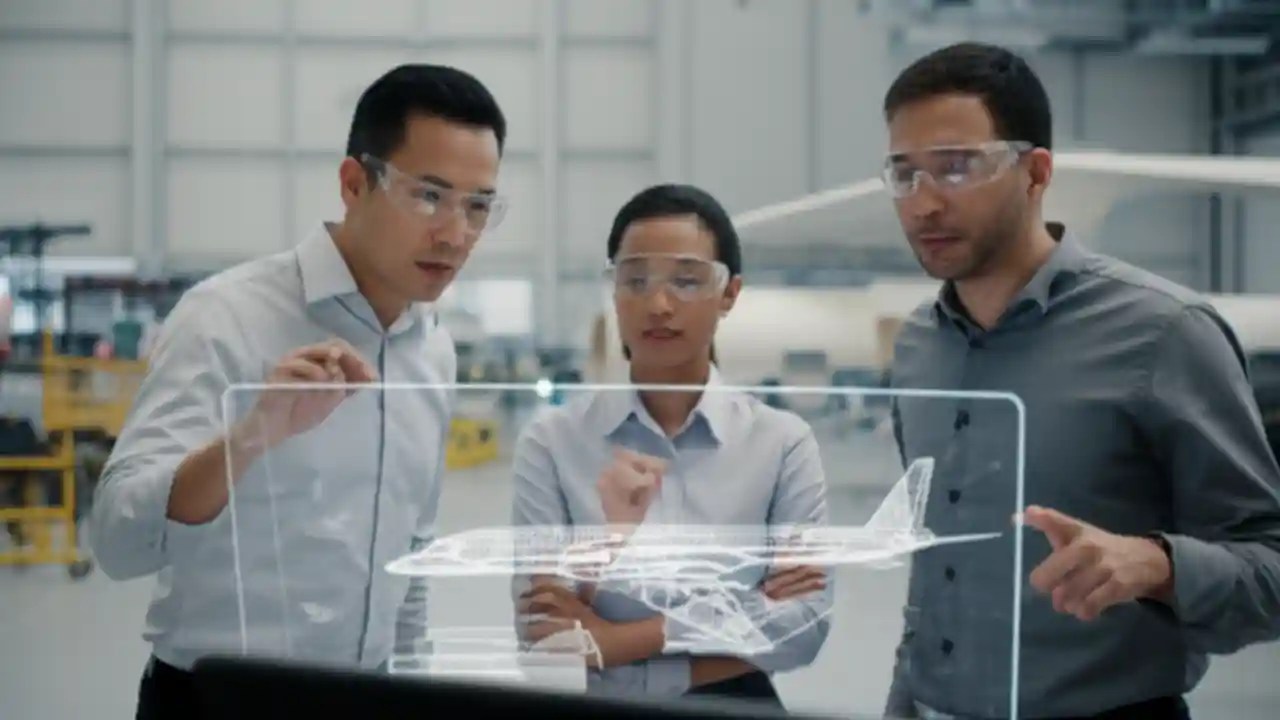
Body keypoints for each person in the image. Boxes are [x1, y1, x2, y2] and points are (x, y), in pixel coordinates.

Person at [88, 64, 510, 718]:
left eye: (478, 206)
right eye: (429, 195)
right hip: (222, 701)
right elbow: (117, 540)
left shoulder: (434, 350)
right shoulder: (225, 318)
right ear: (353, 183)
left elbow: (411, 556)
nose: (455, 234)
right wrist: (250, 435)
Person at [880, 42, 1280, 720]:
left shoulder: (1164, 333)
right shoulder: (919, 347)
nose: (923, 204)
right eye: (903, 174)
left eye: (954, 168)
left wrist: (1159, 564)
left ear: (1036, 172)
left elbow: (1271, 569)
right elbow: (932, 581)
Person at [509, 184, 833, 708]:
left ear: (730, 293)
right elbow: (545, 637)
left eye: (687, 281)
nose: (658, 304)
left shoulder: (781, 444)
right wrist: (741, 616)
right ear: (613, 290)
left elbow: (803, 627)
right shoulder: (552, 442)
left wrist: (618, 641)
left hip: (734, 703)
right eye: (635, 279)